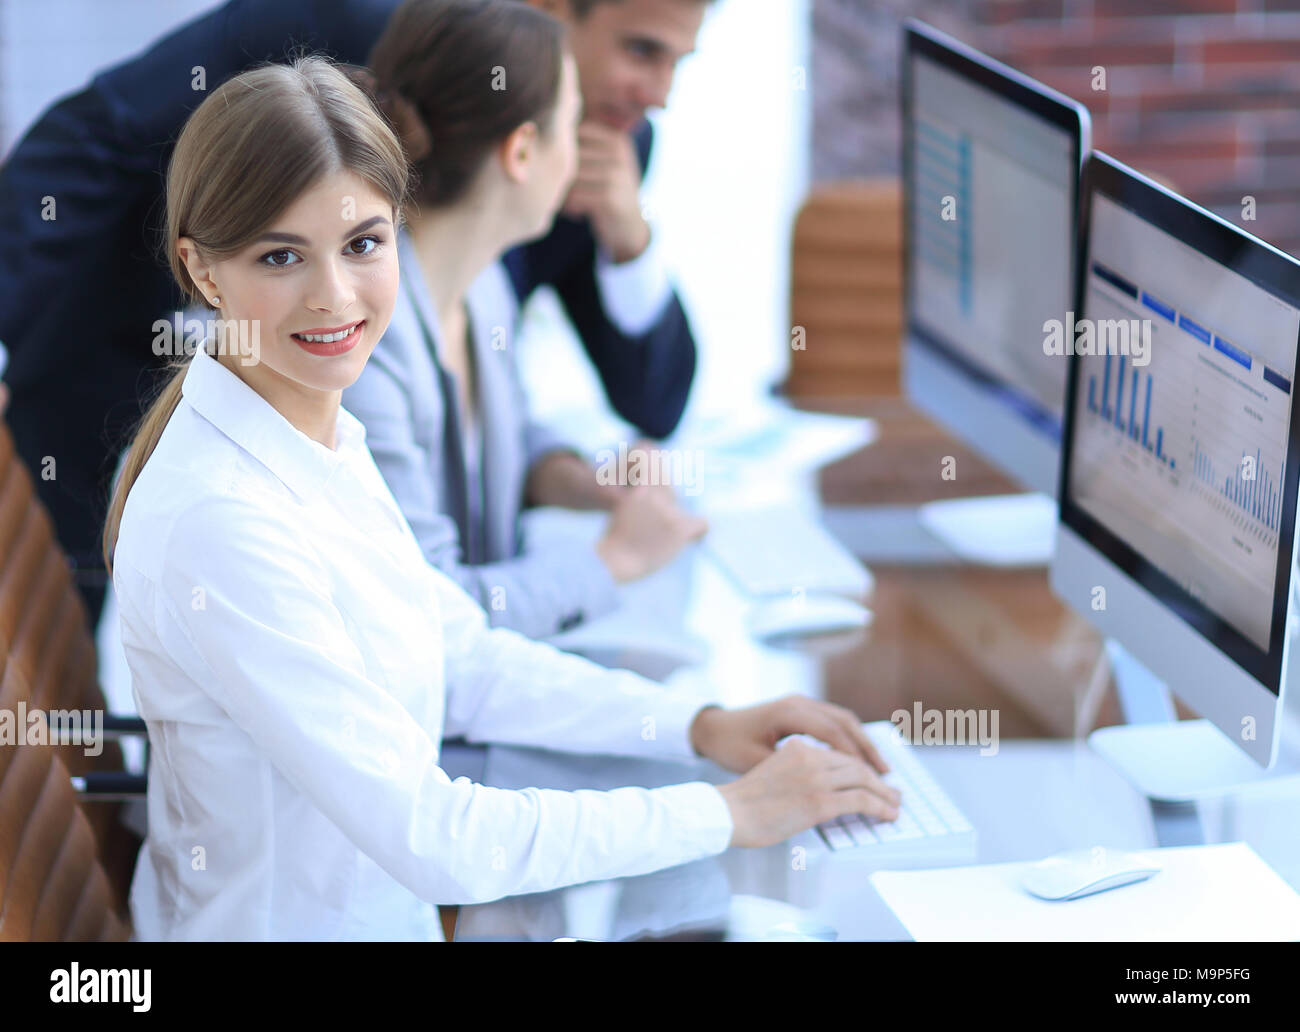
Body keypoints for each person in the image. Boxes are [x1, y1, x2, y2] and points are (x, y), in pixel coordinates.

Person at [104, 55, 898, 941]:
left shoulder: (312, 425)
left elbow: (463, 659)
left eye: (363, 242)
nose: (334, 296)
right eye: (281, 256)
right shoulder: (223, 518)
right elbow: (435, 837)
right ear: (202, 272)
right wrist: (731, 813)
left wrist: (704, 727)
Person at [0, 0, 707, 627]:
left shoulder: (600, 155)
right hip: (103, 325)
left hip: (437, 569)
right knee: (53, 607)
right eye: (640, 49)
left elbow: (643, 401)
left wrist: (630, 234)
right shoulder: (349, 32)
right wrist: (34, 347)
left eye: (680, 60)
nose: (662, 94)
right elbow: (86, 146)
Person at [343, 0, 702, 639]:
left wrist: (591, 484)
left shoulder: (483, 286)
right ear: (524, 152)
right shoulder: (360, 342)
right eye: (571, 126)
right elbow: (429, 623)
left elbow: (495, 430)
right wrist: (613, 559)